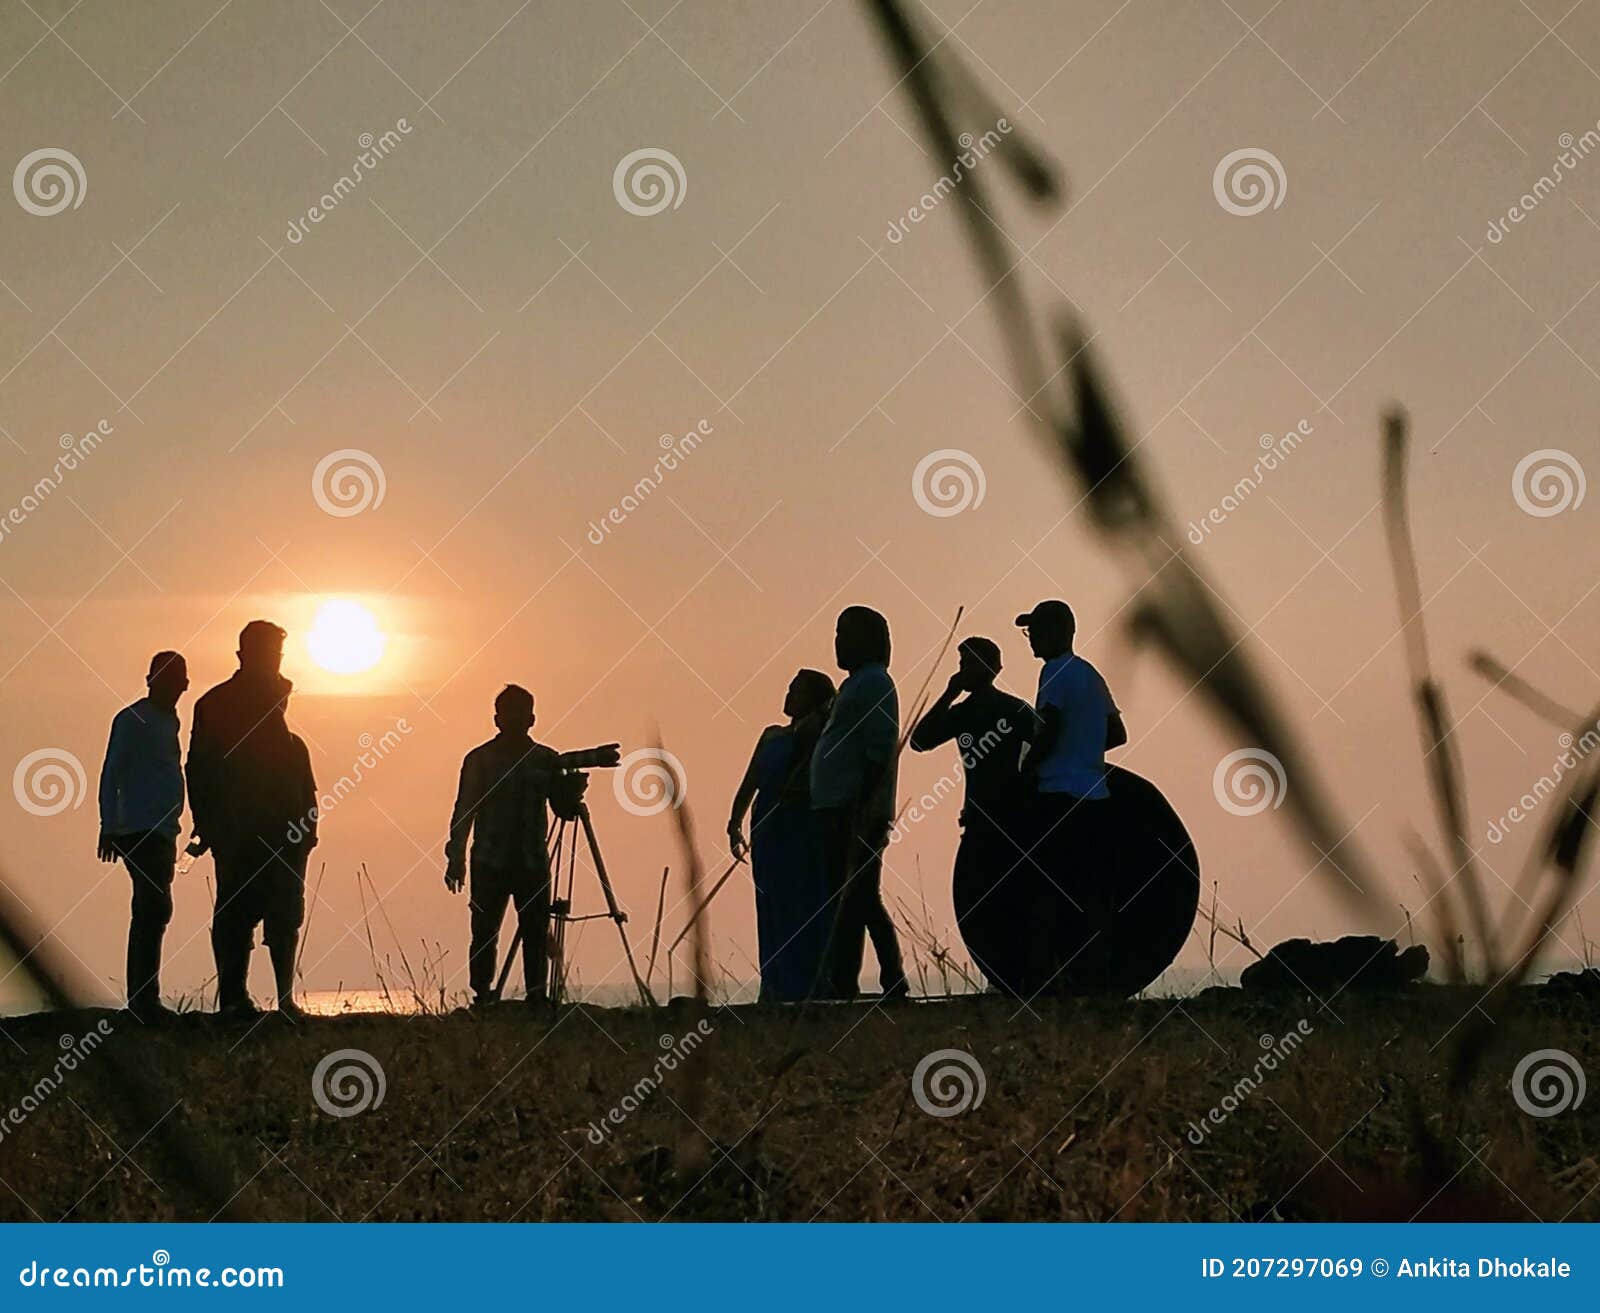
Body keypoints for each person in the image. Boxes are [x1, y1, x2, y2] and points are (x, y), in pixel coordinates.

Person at [187, 621, 318, 1019]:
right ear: (244, 655)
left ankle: (282, 999)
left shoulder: (284, 719)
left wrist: (306, 830)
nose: (274, 663)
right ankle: (234, 998)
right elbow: (199, 768)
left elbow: (300, 780)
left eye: (277, 655)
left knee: (283, 915)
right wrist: (208, 823)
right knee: (236, 915)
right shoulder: (218, 704)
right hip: (239, 828)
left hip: (285, 828)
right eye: (268, 654)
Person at [446, 685, 584, 1010]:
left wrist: (572, 792)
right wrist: (455, 857)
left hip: (532, 861)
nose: (515, 718)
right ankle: (482, 995)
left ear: (532, 717)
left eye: (521, 712)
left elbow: (563, 811)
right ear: (497, 718)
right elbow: (464, 809)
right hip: (490, 860)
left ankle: (536, 994)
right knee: (484, 932)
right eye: (509, 712)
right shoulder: (480, 760)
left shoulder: (546, 759)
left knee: (535, 929)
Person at [908, 636, 1035, 989]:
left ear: (993, 668)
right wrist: (949, 693)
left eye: (970, 663)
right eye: (962, 663)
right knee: (986, 898)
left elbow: (1044, 743)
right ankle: (1003, 975)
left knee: (1004, 896)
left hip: (1008, 816)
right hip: (982, 815)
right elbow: (920, 741)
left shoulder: (1011, 709)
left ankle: (1015, 973)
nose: (964, 670)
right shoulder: (967, 713)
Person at [1014, 599, 1126, 992]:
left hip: (1057, 795)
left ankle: (1043, 979)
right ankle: (1097, 979)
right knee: (1091, 892)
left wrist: (1027, 768)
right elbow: (1116, 733)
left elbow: (1048, 729)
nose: (1031, 640)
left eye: (1036, 631)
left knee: (1045, 889)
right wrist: (1085, 752)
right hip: (1096, 797)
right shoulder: (1090, 675)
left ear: (1059, 632)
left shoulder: (1054, 672)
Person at [810, 606, 907, 1001]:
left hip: (854, 810)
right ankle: (846, 980)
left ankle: (885, 979)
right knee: (849, 898)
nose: (838, 643)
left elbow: (879, 747)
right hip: (837, 806)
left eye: (846, 634)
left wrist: (862, 806)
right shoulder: (854, 685)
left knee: (860, 895)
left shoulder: (874, 683)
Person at [727, 669, 836, 1002]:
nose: (789, 696)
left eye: (798, 691)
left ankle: (807, 983)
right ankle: (774, 982)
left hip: (800, 826)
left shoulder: (819, 734)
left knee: (801, 902)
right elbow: (751, 782)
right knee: (771, 904)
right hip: (767, 829)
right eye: (790, 689)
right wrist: (734, 822)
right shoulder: (771, 735)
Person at [98, 651, 190, 1021]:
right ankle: (142, 1000)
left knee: (154, 906)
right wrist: (110, 825)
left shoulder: (170, 720)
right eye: (170, 680)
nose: (178, 688)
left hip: (163, 829)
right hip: (139, 828)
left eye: (180, 681)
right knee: (152, 905)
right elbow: (112, 771)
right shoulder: (134, 719)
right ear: (152, 680)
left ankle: (143, 997)